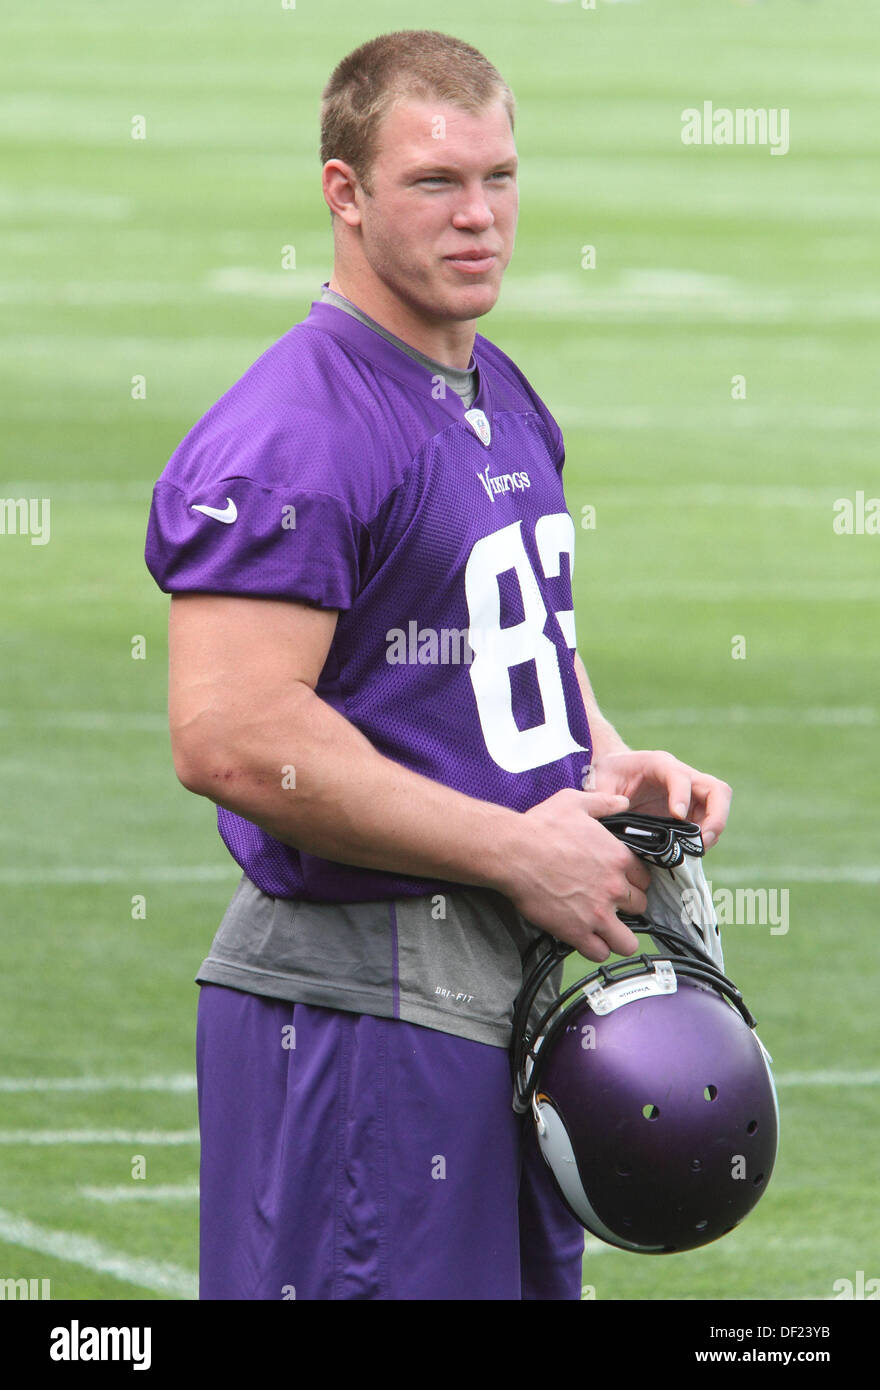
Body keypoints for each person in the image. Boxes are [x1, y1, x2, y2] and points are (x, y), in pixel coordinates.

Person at [145, 29, 731, 1301]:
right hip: (363, 1011)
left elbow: (490, 645)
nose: (480, 218)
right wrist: (520, 849)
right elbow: (232, 735)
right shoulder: (292, 429)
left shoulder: (492, 386)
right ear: (343, 194)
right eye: (434, 184)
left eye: (499, 179)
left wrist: (606, 758)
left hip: (497, 1005)